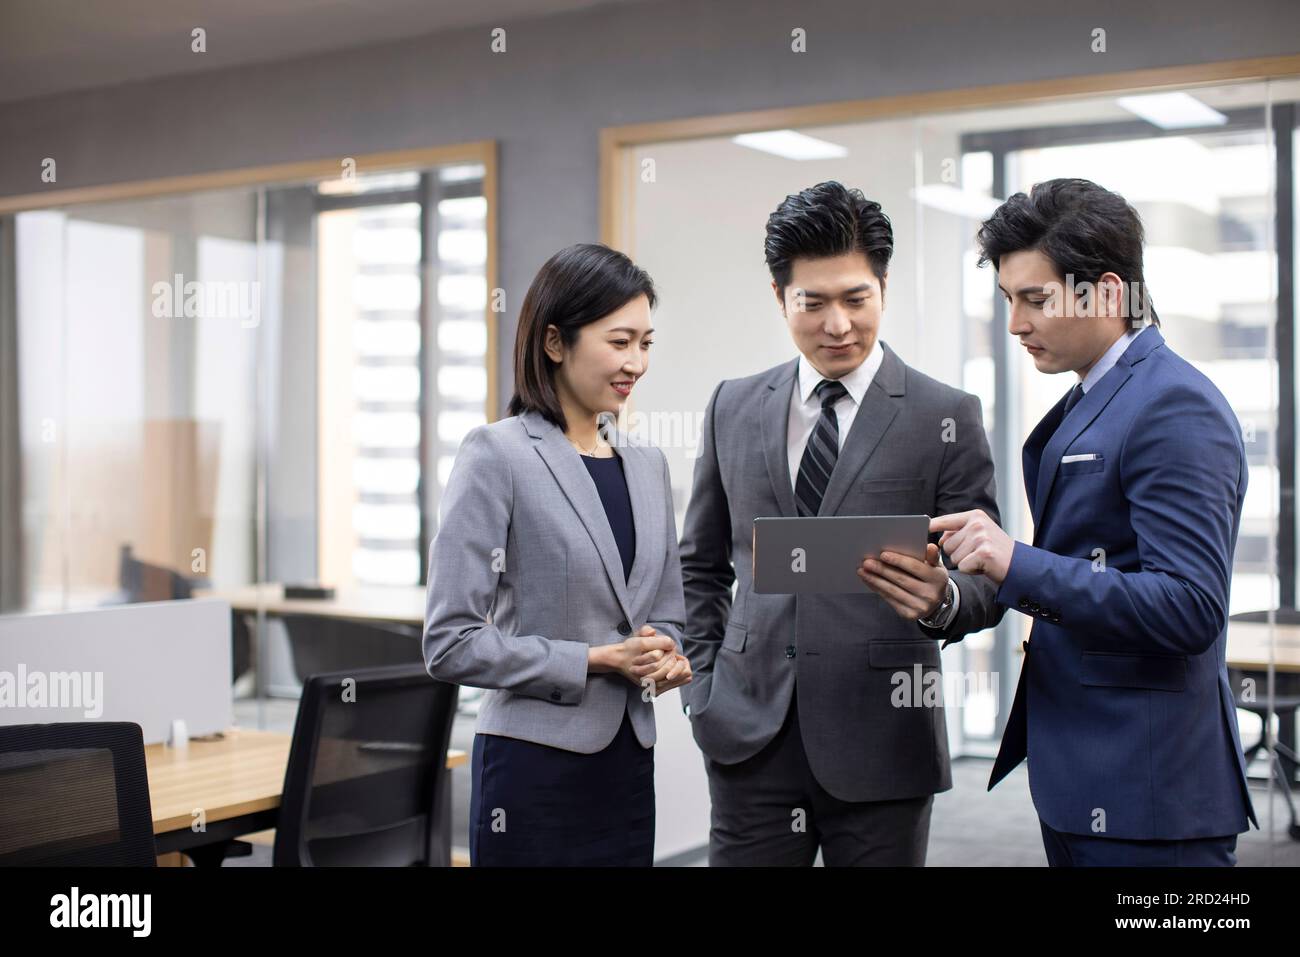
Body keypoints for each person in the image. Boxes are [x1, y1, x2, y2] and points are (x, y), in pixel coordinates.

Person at [932, 177, 1257, 866]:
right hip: (1090, 778)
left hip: (1151, 794)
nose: (1015, 323)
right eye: (1007, 300)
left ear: (1109, 294)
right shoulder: (1099, 394)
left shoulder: (1173, 406)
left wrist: (1015, 562)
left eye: (1035, 299)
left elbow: (1189, 606)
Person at [678, 181, 1004, 866]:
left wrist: (943, 599)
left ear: (883, 288)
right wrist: (703, 688)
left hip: (883, 737)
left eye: (856, 299)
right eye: (813, 302)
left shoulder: (944, 415)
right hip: (748, 733)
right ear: (779, 298)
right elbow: (701, 565)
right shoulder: (732, 406)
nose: (838, 325)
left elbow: (985, 579)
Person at [423, 242, 690, 866]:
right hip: (532, 770)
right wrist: (595, 659)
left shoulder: (646, 465)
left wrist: (667, 655)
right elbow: (449, 641)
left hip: (629, 763)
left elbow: (668, 614)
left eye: (646, 343)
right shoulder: (498, 455)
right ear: (553, 343)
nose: (636, 363)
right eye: (620, 341)